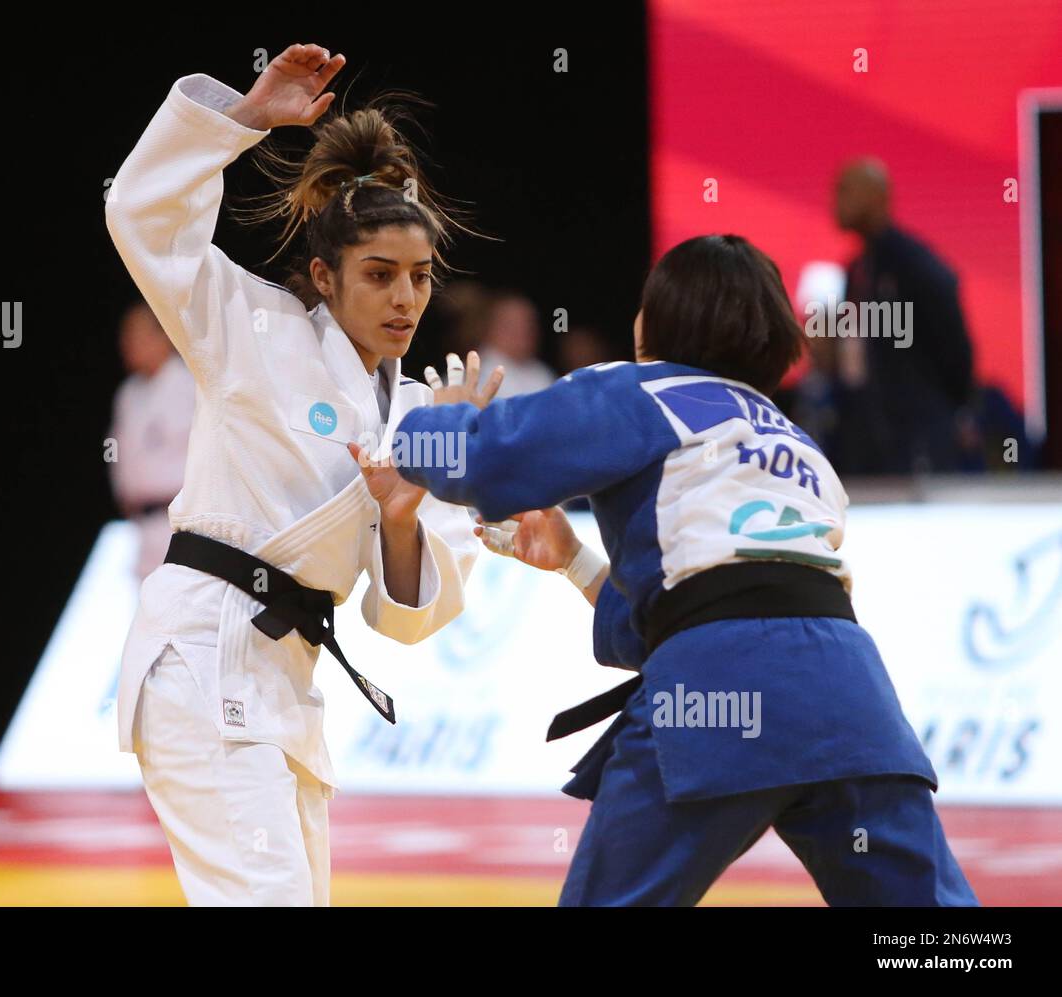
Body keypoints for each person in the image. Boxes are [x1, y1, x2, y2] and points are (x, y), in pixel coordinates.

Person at [393, 234, 978, 906]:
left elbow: (474, 461)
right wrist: (575, 560)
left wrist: (432, 424)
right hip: (855, 705)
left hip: (719, 691)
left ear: (661, 317)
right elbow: (720, 599)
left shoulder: (639, 391)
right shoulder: (796, 440)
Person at [104, 43, 483, 906]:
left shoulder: (421, 411)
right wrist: (241, 121)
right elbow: (142, 215)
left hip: (288, 686)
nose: (405, 300)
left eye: (420, 278)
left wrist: (398, 515)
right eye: (379, 275)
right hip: (205, 656)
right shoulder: (249, 327)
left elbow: (410, 621)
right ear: (323, 275)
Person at [830, 158, 975, 474]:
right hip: (866, 437)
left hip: (916, 437)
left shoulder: (912, 263)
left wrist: (949, 408)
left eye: (845, 190)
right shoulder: (858, 269)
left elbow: (954, 345)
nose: (835, 201)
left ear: (877, 197)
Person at [107, 300, 196, 580]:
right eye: (126, 336)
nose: (129, 344)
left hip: (183, 523)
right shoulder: (127, 394)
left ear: (163, 336)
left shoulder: (188, 382)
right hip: (140, 525)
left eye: (139, 335)